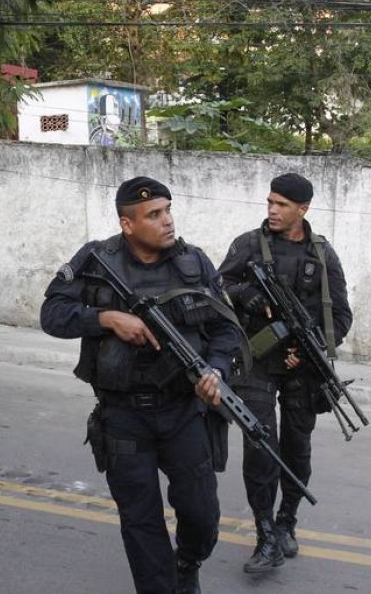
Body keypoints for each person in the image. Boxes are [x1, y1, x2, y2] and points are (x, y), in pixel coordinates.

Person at [40, 176, 241, 594]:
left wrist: (216, 371)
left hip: (183, 411)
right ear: (127, 225)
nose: (167, 221)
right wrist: (105, 319)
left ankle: (187, 563)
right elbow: (52, 313)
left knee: (202, 515)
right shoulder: (97, 260)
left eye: (168, 210)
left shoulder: (194, 263)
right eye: (154, 214)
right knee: (140, 521)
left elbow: (227, 329)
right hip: (124, 417)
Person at [217, 172, 352, 575]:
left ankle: (286, 522)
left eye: (282, 205)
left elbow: (341, 316)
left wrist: (309, 352)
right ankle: (264, 535)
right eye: (270, 202)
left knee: (297, 447)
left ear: (303, 209)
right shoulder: (247, 245)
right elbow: (217, 288)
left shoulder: (323, 255)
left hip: (301, 369)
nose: (273, 211)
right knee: (261, 448)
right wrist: (251, 298)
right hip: (256, 361)